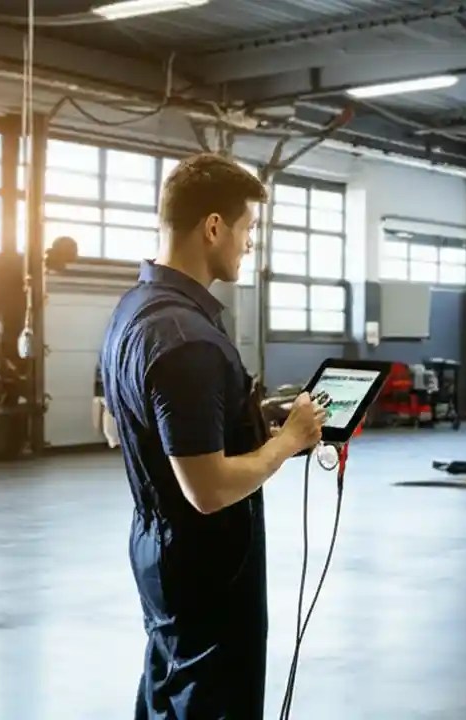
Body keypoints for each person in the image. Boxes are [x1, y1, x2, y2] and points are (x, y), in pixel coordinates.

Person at [99, 153, 326, 719]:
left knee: (171, 692)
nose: (251, 244)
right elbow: (208, 488)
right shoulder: (187, 338)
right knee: (214, 701)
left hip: (161, 548)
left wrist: (256, 418)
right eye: (249, 229)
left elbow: (142, 424)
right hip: (207, 564)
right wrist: (287, 441)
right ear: (214, 227)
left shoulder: (137, 310)